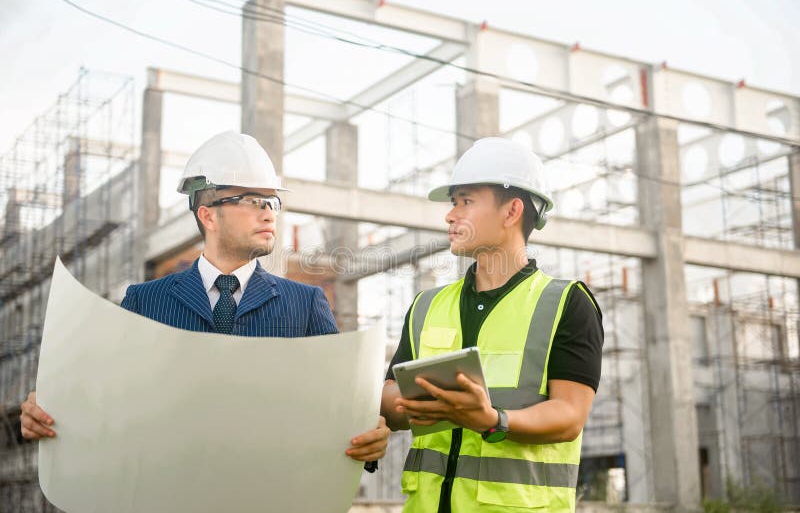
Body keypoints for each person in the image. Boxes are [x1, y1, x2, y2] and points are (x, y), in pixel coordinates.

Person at [21, 131, 389, 465]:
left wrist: (369, 437)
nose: (268, 212)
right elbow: (108, 400)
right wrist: (51, 414)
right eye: (251, 200)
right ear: (208, 215)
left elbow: (341, 408)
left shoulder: (305, 304)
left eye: (272, 202)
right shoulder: (145, 302)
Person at [381, 137, 604, 512]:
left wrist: (493, 420)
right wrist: (410, 405)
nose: (450, 216)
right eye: (453, 204)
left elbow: (569, 415)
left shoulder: (566, 303)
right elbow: (388, 395)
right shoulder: (426, 306)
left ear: (512, 210)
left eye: (466, 201)